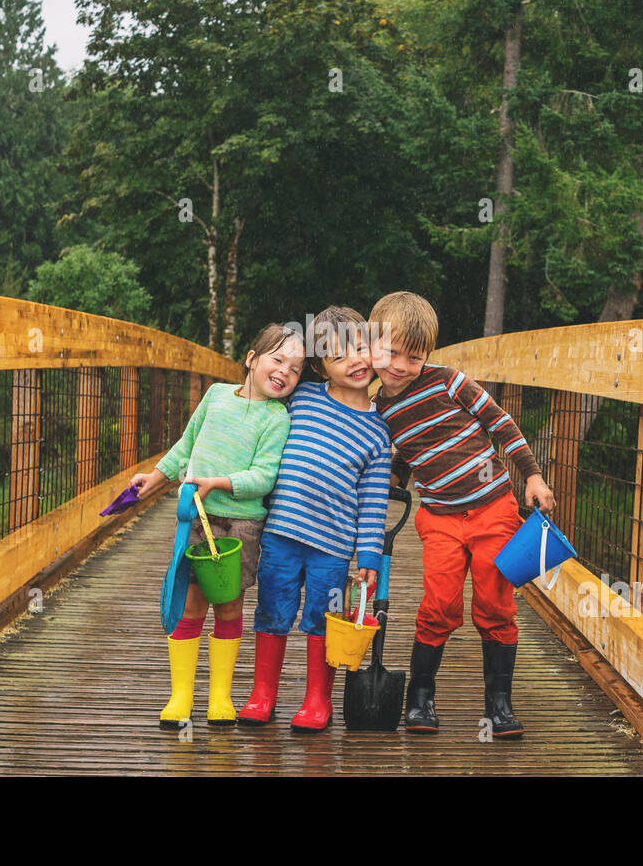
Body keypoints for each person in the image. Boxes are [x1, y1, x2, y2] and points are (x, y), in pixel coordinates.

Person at [368, 291, 556, 738]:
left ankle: (499, 703)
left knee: (495, 604)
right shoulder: (377, 408)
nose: (399, 365)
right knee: (439, 604)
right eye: (390, 352)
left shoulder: (450, 381)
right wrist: (393, 487)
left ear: (428, 355)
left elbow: (501, 424)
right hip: (440, 518)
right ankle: (421, 696)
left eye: (413, 357)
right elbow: (405, 454)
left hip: (493, 508)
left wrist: (532, 476)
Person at [130, 323, 303, 728]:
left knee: (228, 606)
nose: (284, 373)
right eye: (277, 360)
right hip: (197, 518)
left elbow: (264, 477)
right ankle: (181, 697)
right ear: (251, 358)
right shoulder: (215, 396)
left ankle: (220, 697)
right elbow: (186, 445)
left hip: (241, 525)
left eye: (295, 369)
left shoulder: (278, 419)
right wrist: (156, 477)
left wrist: (220, 484)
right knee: (192, 605)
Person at [238, 306, 392, 731]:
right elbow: (256, 415)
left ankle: (316, 701)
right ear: (320, 367)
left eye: (361, 348)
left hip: (335, 546)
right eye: (340, 356)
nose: (356, 361)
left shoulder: (377, 434)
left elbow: (374, 504)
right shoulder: (301, 398)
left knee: (325, 619)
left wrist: (369, 559)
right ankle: (262, 694)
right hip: (282, 534)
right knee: (272, 609)